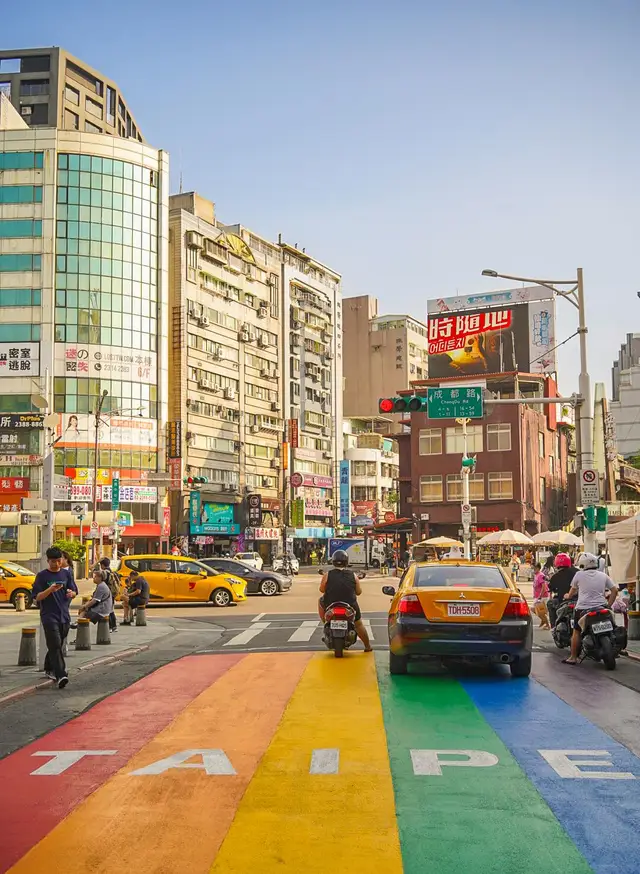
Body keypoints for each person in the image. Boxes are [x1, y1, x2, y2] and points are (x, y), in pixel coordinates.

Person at [562, 552, 618, 665]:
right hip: (601, 607)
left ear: (582, 564)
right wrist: (609, 605)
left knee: (576, 631)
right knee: (613, 627)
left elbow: (572, 592)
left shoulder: (579, 575)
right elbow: (615, 590)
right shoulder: (603, 575)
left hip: (583, 609)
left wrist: (567, 596)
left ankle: (573, 657)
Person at [31, 546, 75, 688]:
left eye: (58, 560)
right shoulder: (42, 576)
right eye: (52, 561)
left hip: (64, 615)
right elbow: (37, 597)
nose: (56, 564)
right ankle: (61, 674)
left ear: (62, 560)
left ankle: (48, 667)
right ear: (48, 561)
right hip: (48, 616)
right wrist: (50, 589)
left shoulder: (66, 574)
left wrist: (71, 593)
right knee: (55, 644)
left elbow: (74, 590)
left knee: (58, 644)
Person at [318, 549, 372, 652]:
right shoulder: (353, 575)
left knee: (320, 600)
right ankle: (367, 646)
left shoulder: (327, 575)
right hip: (350, 605)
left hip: (331, 605)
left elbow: (321, 590)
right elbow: (358, 592)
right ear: (346, 562)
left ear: (333, 561)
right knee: (359, 624)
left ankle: (325, 621)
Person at [547, 552, 577, 626]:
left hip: (562, 601)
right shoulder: (577, 572)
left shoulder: (555, 577)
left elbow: (551, 588)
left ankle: (553, 626)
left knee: (550, 603)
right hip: (578, 600)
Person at [100, 557, 120, 633]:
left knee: (107, 609)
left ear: (102, 565)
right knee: (111, 609)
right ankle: (114, 626)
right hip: (113, 592)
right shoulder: (112, 572)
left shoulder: (105, 572)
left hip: (107, 593)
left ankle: (110, 627)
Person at [532, 563, 551, 629]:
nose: (533, 570)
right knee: (537, 610)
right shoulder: (536, 575)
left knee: (539, 610)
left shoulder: (540, 575)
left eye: (534, 568)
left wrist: (540, 595)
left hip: (542, 596)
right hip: (537, 596)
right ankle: (544, 621)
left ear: (538, 568)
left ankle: (547, 624)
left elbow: (544, 586)